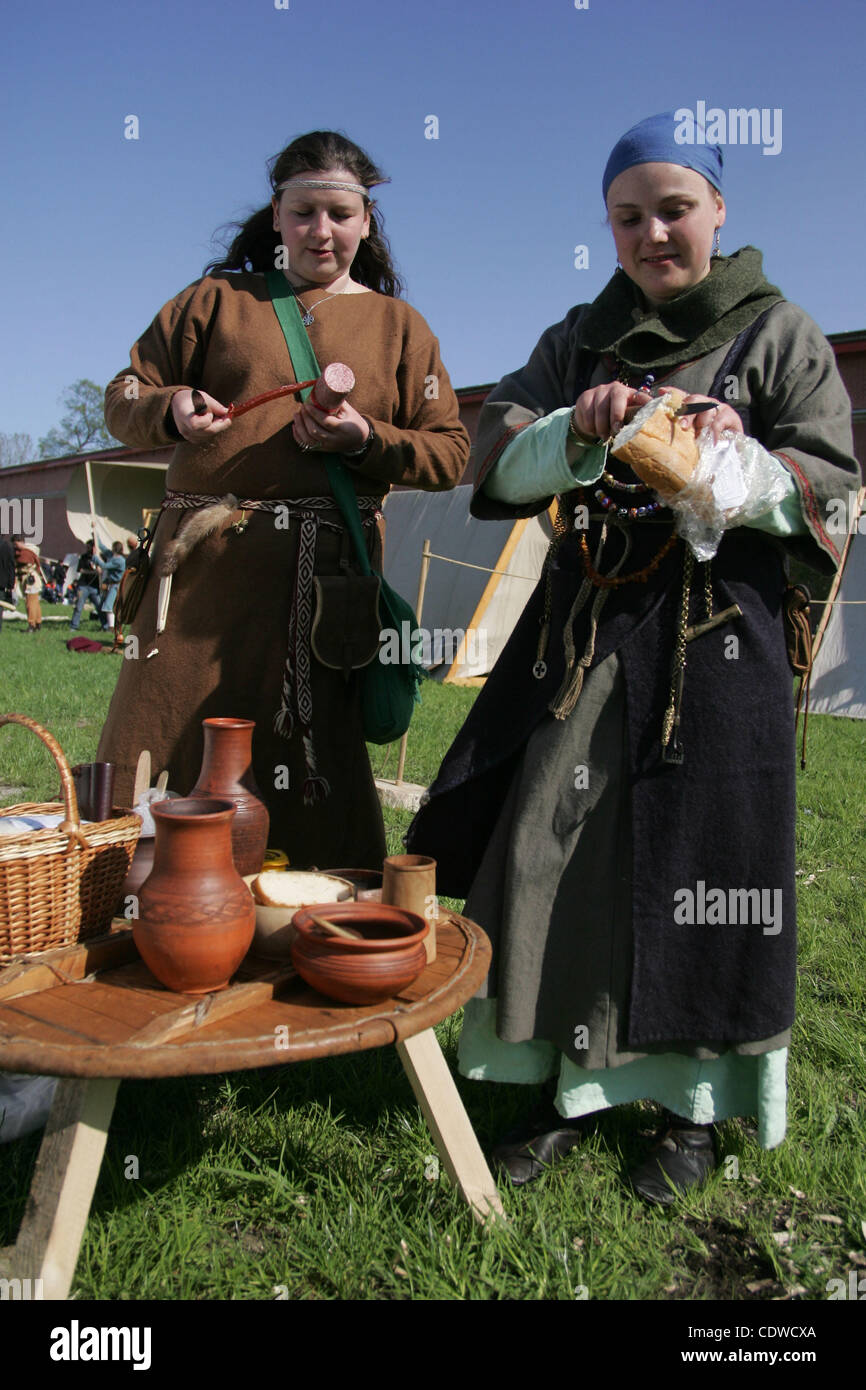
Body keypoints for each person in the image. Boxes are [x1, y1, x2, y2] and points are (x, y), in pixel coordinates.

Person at [407, 112, 859, 1205]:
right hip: (586, 636)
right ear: (605, 227)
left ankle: (691, 1113)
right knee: (554, 851)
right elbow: (492, 455)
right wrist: (574, 423)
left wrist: (732, 459)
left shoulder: (777, 332)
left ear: (716, 211)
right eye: (627, 217)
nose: (652, 233)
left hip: (720, 647)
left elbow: (836, 489)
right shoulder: (581, 333)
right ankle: (570, 1085)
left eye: (673, 210)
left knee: (704, 872)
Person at [97, 130, 469, 869]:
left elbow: (450, 453)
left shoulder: (400, 328)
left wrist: (365, 439)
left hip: (323, 594)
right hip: (200, 585)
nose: (320, 231)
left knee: (309, 770)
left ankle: (306, 929)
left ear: (366, 219)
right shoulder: (215, 301)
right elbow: (124, 394)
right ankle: (144, 917)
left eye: (339, 213)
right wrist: (171, 409)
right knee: (160, 751)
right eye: (303, 212)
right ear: (277, 215)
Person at [69, 541, 102, 630]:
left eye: (89, 547)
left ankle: (106, 626)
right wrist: (93, 572)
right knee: (79, 607)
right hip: (83, 585)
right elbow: (80, 570)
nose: (87, 549)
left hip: (94, 587)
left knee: (99, 607)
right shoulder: (84, 557)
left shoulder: (99, 558)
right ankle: (74, 626)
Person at [96, 540, 127, 630]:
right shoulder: (114, 557)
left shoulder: (119, 561)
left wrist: (95, 558)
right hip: (111, 585)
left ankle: (111, 627)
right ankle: (108, 626)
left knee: (109, 606)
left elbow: (104, 566)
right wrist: (95, 533)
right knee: (104, 605)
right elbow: (103, 548)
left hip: (116, 586)